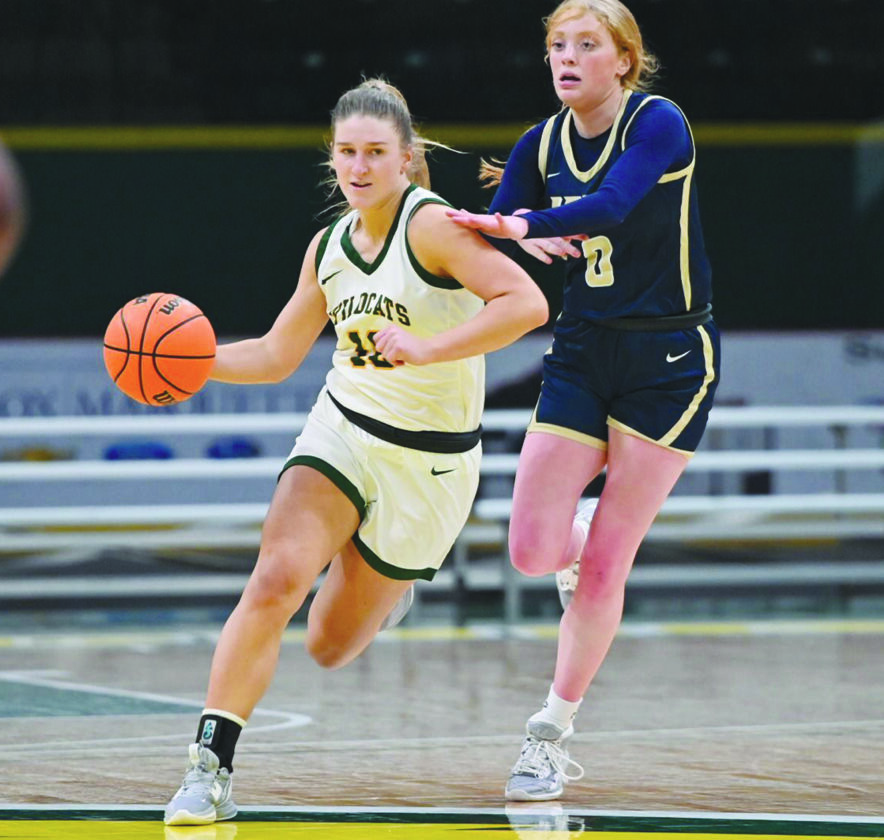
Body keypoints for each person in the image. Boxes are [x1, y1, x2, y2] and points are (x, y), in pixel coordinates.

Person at [163, 78, 548, 826]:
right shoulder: (329, 246)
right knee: (275, 578)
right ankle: (208, 767)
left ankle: (386, 587)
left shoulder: (432, 227)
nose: (360, 167)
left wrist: (431, 346)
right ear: (331, 158)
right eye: (347, 152)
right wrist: (191, 361)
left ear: (406, 160)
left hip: (430, 464)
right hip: (343, 430)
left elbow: (527, 304)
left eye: (376, 153)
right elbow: (278, 353)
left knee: (329, 647)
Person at [447, 0, 721, 801]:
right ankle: (580, 540)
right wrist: (516, 231)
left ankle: (548, 733)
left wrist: (521, 221)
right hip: (581, 352)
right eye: (556, 45)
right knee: (533, 550)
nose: (566, 57)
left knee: (606, 567)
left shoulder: (659, 124)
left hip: (668, 358)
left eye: (585, 44)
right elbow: (507, 228)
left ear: (623, 60)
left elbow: (611, 206)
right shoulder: (542, 142)